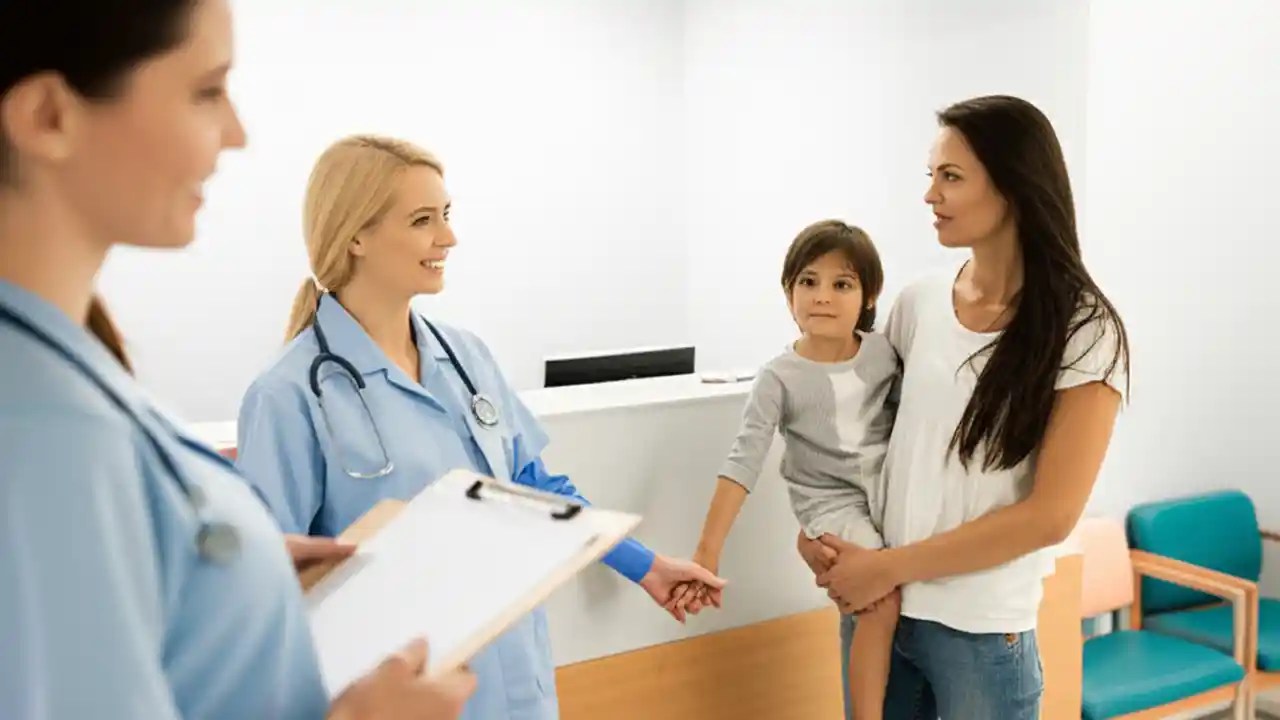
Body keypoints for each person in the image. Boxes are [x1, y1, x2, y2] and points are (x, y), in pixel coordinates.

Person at [0, 2, 478, 719]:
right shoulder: (42, 426)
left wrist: (231, 572)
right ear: (47, 116)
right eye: (206, 90)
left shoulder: (61, 371)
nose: (237, 133)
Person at [233, 133, 728, 720]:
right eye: (422, 220)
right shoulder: (287, 396)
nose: (448, 237)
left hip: (518, 682)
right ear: (356, 235)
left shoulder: (466, 357)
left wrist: (646, 567)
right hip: (401, 697)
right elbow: (268, 595)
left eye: (445, 215)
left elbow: (534, 489)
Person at [799, 94, 1130, 719]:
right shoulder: (919, 303)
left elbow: (1050, 517)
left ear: (1012, 187)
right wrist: (817, 533)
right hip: (882, 613)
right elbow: (863, 444)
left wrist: (887, 566)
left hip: (980, 633)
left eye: (950, 177)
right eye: (932, 176)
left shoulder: (1086, 331)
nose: (930, 195)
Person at [673, 219, 900, 720]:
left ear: (868, 294)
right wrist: (707, 552)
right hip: (831, 503)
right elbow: (742, 462)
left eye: (842, 284)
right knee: (878, 605)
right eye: (808, 281)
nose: (822, 296)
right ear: (788, 291)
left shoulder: (885, 353)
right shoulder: (779, 377)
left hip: (891, 492)